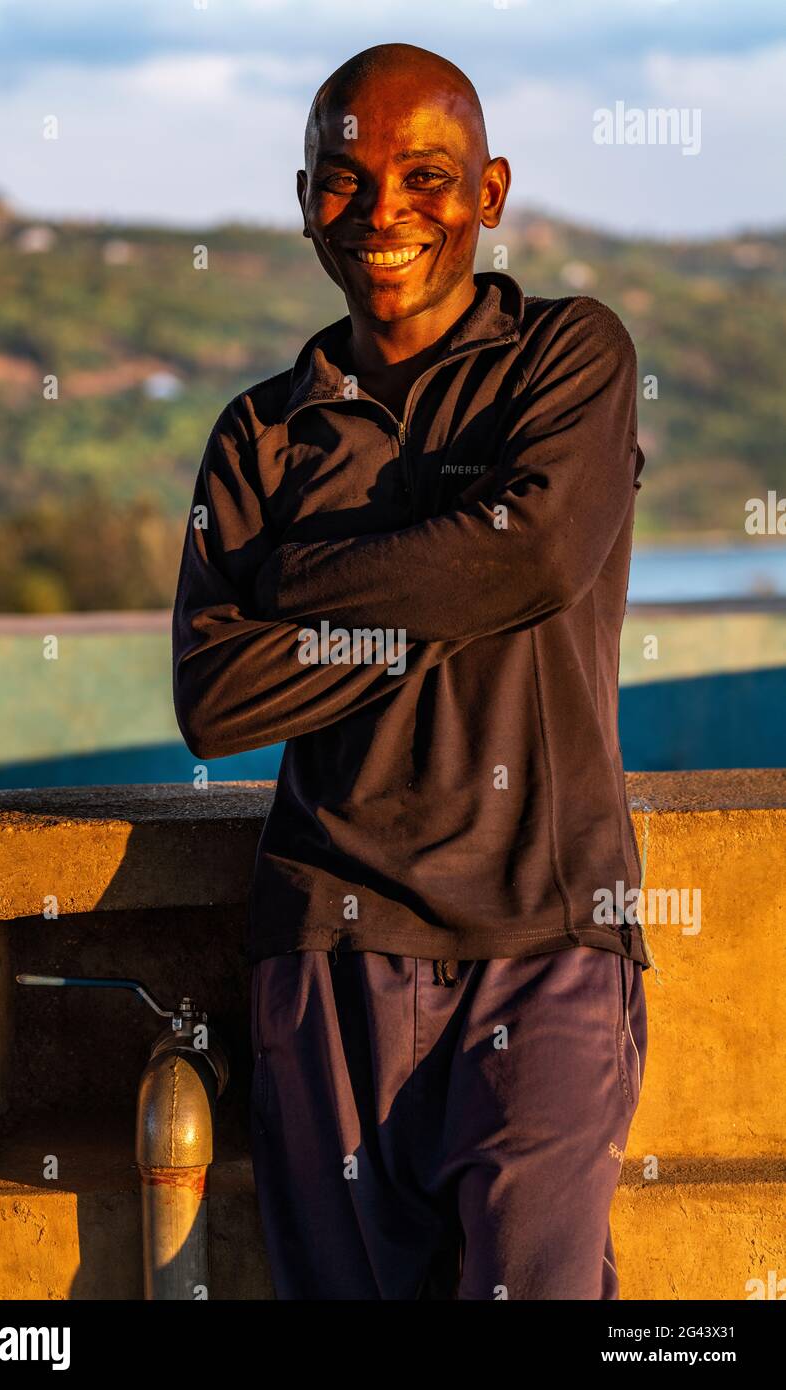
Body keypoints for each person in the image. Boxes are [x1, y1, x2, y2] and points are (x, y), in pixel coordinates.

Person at [172, 42, 651, 1300]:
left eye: (425, 175)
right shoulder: (261, 431)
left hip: (545, 934)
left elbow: (535, 556)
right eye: (347, 177)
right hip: (326, 951)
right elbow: (215, 698)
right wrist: (445, 583)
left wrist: (297, 583)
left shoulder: (570, 357)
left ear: (489, 193)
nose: (383, 211)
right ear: (304, 197)